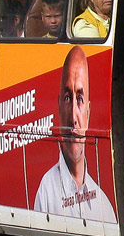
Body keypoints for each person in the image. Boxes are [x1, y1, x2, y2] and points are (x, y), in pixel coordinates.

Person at [33, 46, 116, 222]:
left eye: (79, 99)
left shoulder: (103, 205)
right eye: (67, 98)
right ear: (58, 106)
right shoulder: (46, 191)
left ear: (89, 111)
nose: (73, 118)